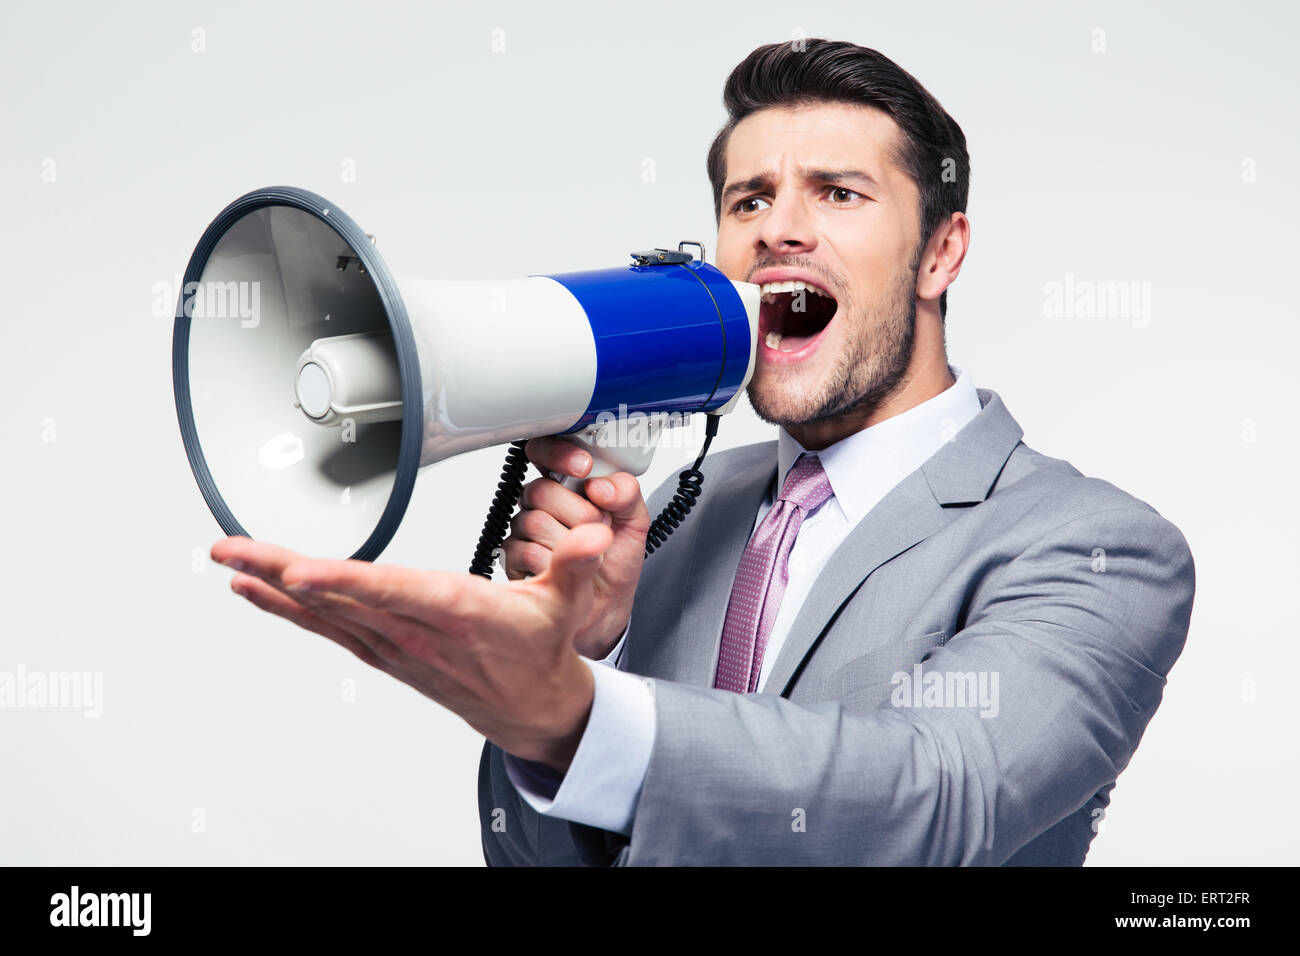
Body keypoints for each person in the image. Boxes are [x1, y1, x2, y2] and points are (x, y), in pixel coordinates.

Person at [214, 39, 1195, 866]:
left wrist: (583, 713)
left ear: (940, 252)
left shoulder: (1095, 544)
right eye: (749, 200)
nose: (779, 231)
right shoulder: (669, 515)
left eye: (838, 193)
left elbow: (946, 793)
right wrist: (575, 656)